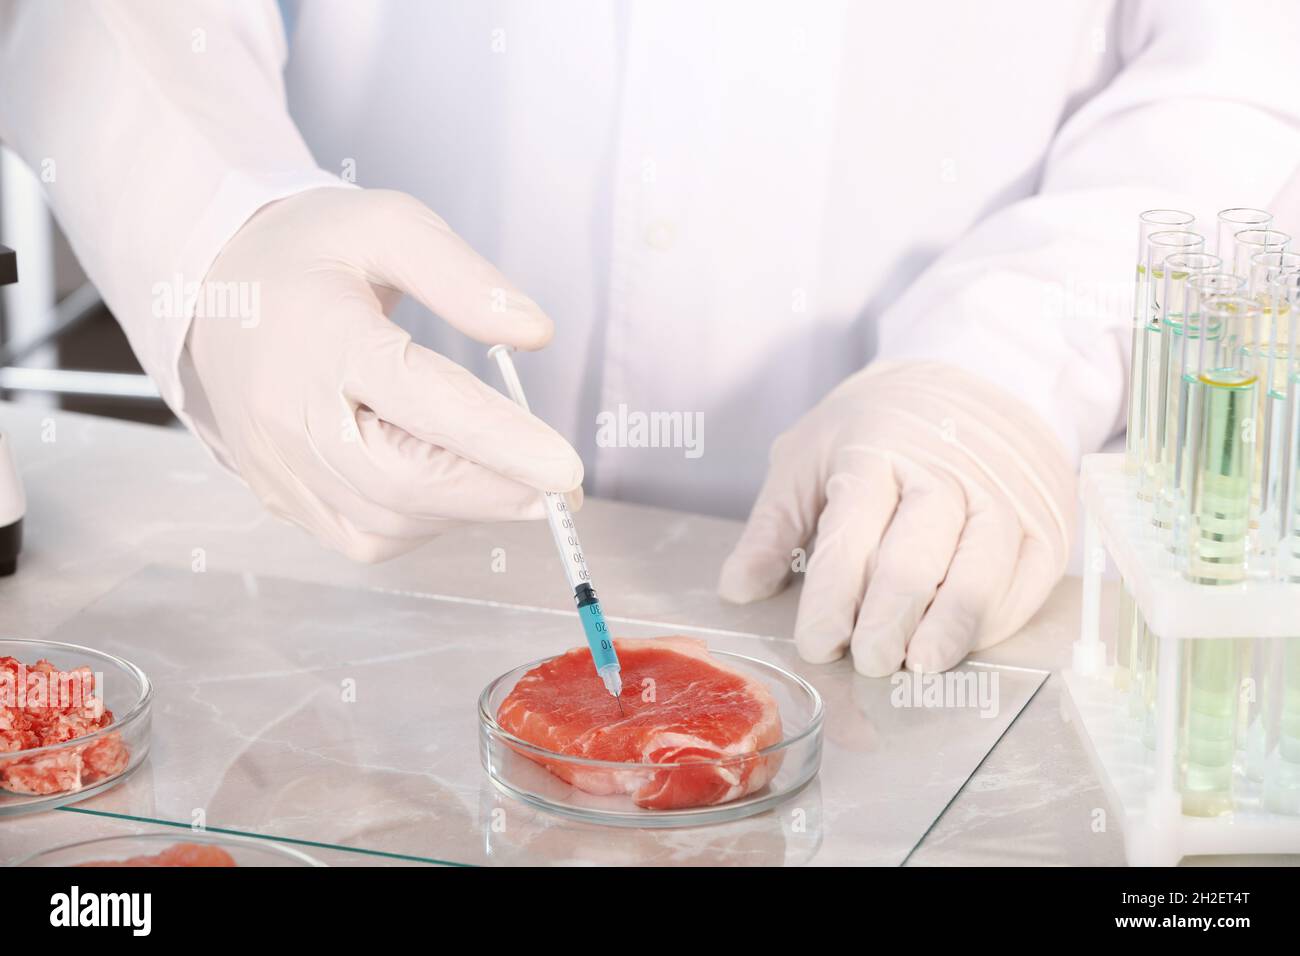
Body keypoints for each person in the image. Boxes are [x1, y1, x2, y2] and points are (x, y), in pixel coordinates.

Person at [2, 1, 1297, 676]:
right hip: (369, 545)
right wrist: (221, 220)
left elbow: (1246, 65)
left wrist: (1015, 360)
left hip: (955, 553)